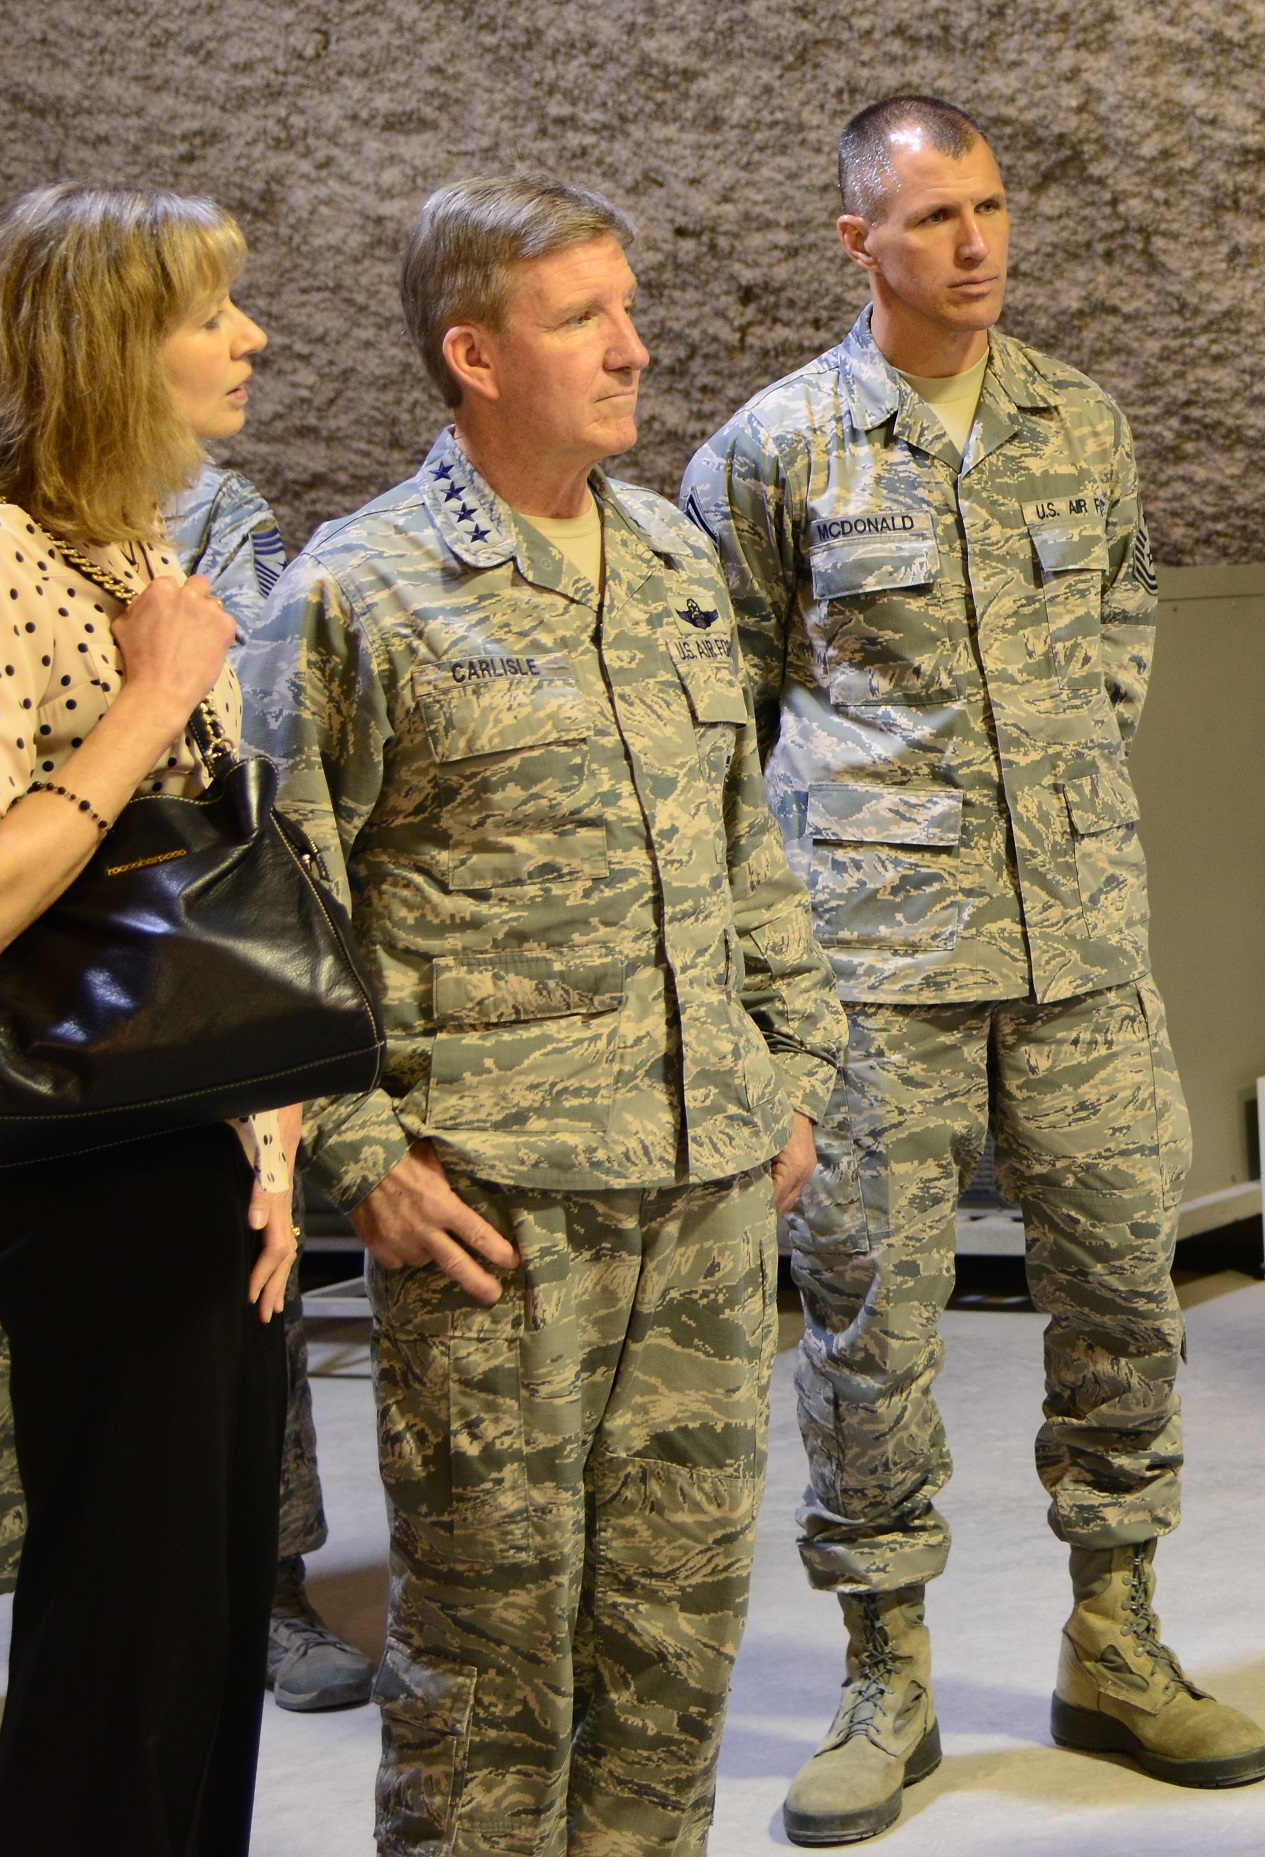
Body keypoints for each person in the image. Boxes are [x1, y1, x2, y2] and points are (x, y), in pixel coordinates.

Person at [683, 95, 1265, 1846]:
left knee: (1126, 1297)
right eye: (936, 216)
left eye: (993, 208)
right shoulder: (778, 448)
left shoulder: (1079, 421)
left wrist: (1063, 796)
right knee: (871, 1325)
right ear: (855, 239)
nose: (976, 243)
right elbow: (725, 711)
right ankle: (888, 1674)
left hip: (1079, 949)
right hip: (874, 969)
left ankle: (1117, 1638)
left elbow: (1121, 624)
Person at [244, 175, 846, 1856]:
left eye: (626, 308)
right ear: (474, 353)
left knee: (676, 1641)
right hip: (494, 1211)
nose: (633, 347)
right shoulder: (360, 590)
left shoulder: (671, 560)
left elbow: (742, 839)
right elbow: (277, 899)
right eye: (584, 318)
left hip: (706, 1188)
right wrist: (358, 1150)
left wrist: (793, 1068)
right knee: (489, 1662)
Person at [0, 182, 301, 1857]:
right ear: (102, 349)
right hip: (78, 1155)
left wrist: (268, 1141)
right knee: (120, 1651)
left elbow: (207, 876)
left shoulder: (132, 542)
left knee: (198, 1648)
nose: (249, 337)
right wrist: (153, 696)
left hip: (194, 1147)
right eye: (207, 314)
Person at [0, 464, 367, 1782]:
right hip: (5, 1010)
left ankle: (266, 1582)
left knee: (231, 1345)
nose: (245, 358)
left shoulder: (208, 515)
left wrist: (278, 1123)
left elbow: (242, 733)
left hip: (186, 990)